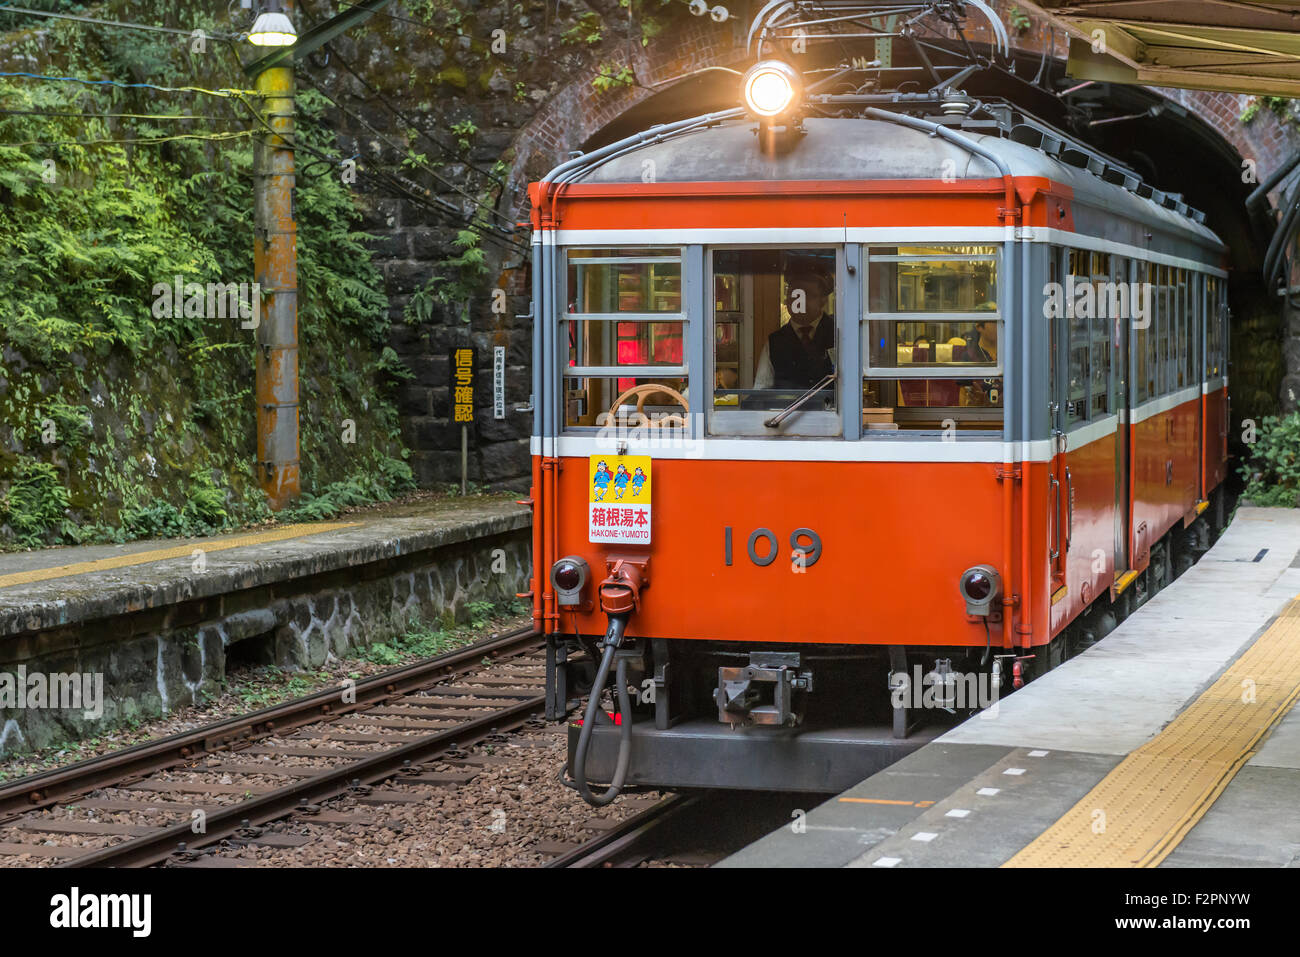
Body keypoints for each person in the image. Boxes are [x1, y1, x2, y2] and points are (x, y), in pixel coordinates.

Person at [753, 266, 835, 391]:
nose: (799, 301)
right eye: (794, 295)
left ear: (823, 300)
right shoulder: (774, 342)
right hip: (787, 410)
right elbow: (761, 390)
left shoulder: (838, 334)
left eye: (808, 295)